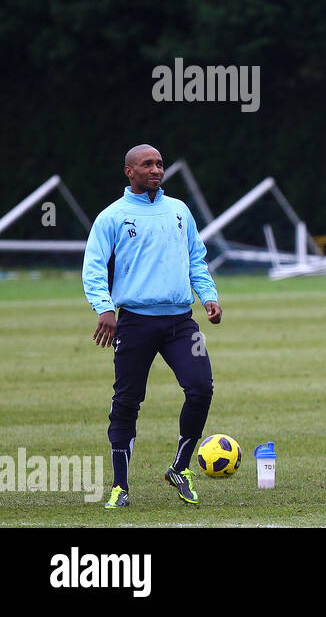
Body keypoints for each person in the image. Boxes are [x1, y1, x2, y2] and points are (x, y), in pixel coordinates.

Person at [82, 144, 223, 509]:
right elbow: (94, 267)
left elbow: (196, 256)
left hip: (180, 321)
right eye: (147, 164)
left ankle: (180, 468)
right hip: (134, 323)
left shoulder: (179, 210)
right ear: (129, 172)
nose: (156, 169)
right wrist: (104, 308)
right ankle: (120, 486)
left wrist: (207, 295)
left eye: (159, 164)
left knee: (201, 387)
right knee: (127, 401)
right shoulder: (112, 216)